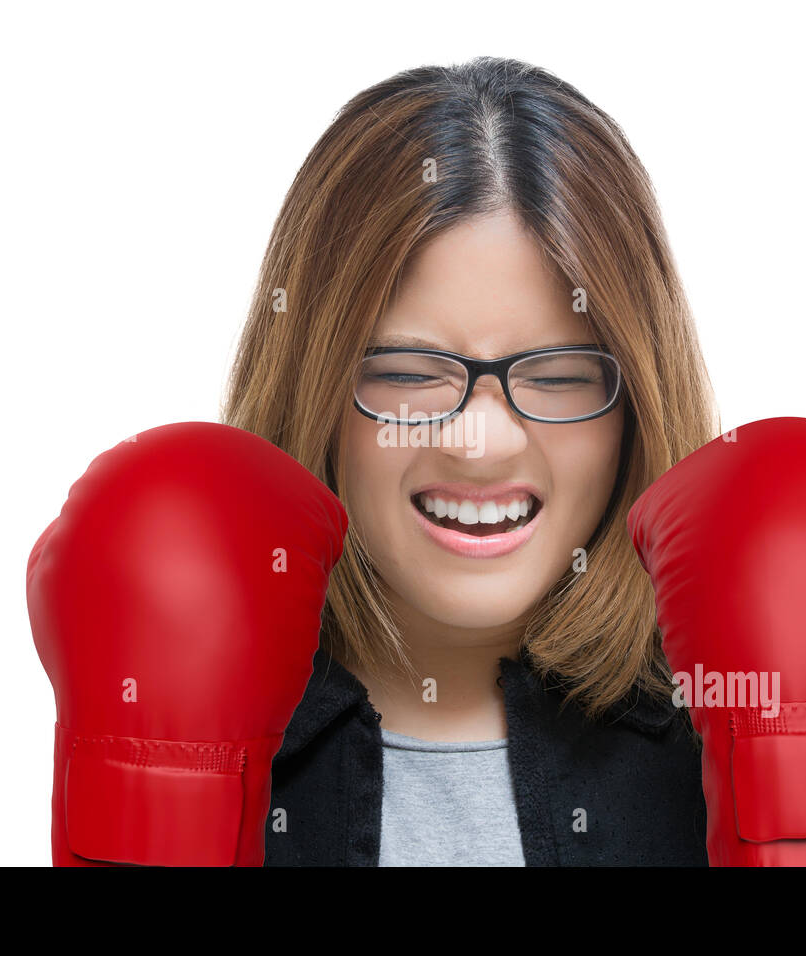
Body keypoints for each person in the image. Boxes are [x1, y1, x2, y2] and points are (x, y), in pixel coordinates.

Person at [221, 56, 718, 866]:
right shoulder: (195, 724)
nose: (479, 443)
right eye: (408, 373)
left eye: (557, 375)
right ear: (311, 382)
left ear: (636, 404)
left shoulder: (732, 731)